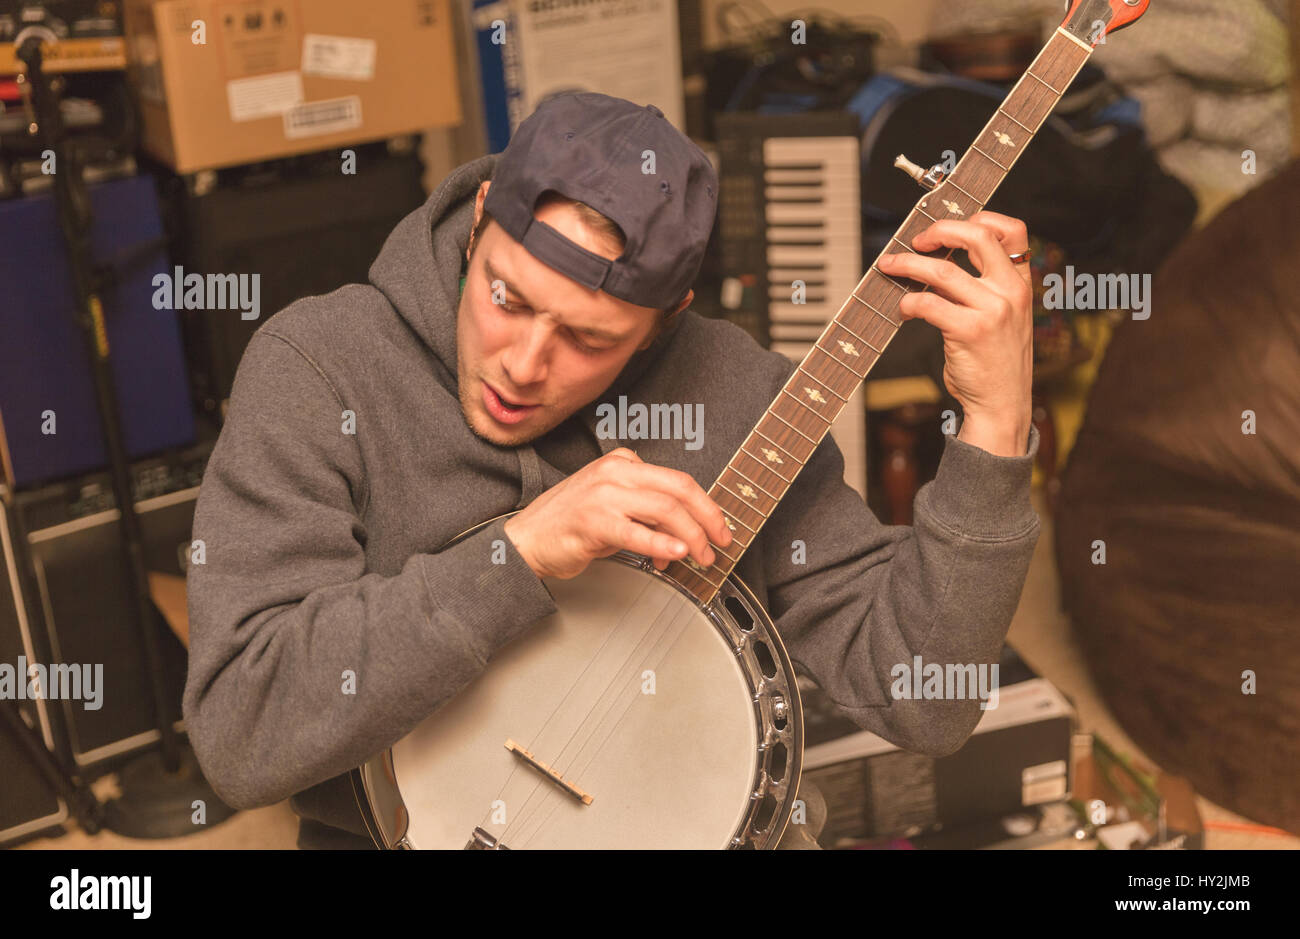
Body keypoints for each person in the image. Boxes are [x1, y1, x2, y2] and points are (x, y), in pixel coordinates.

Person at [184, 92, 1041, 849]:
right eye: (506, 298)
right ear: (482, 216)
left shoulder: (743, 395)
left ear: (667, 322)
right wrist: (517, 554)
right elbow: (239, 732)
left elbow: (925, 702)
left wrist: (996, 430)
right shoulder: (320, 368)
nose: (522, 364)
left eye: (588, 340)